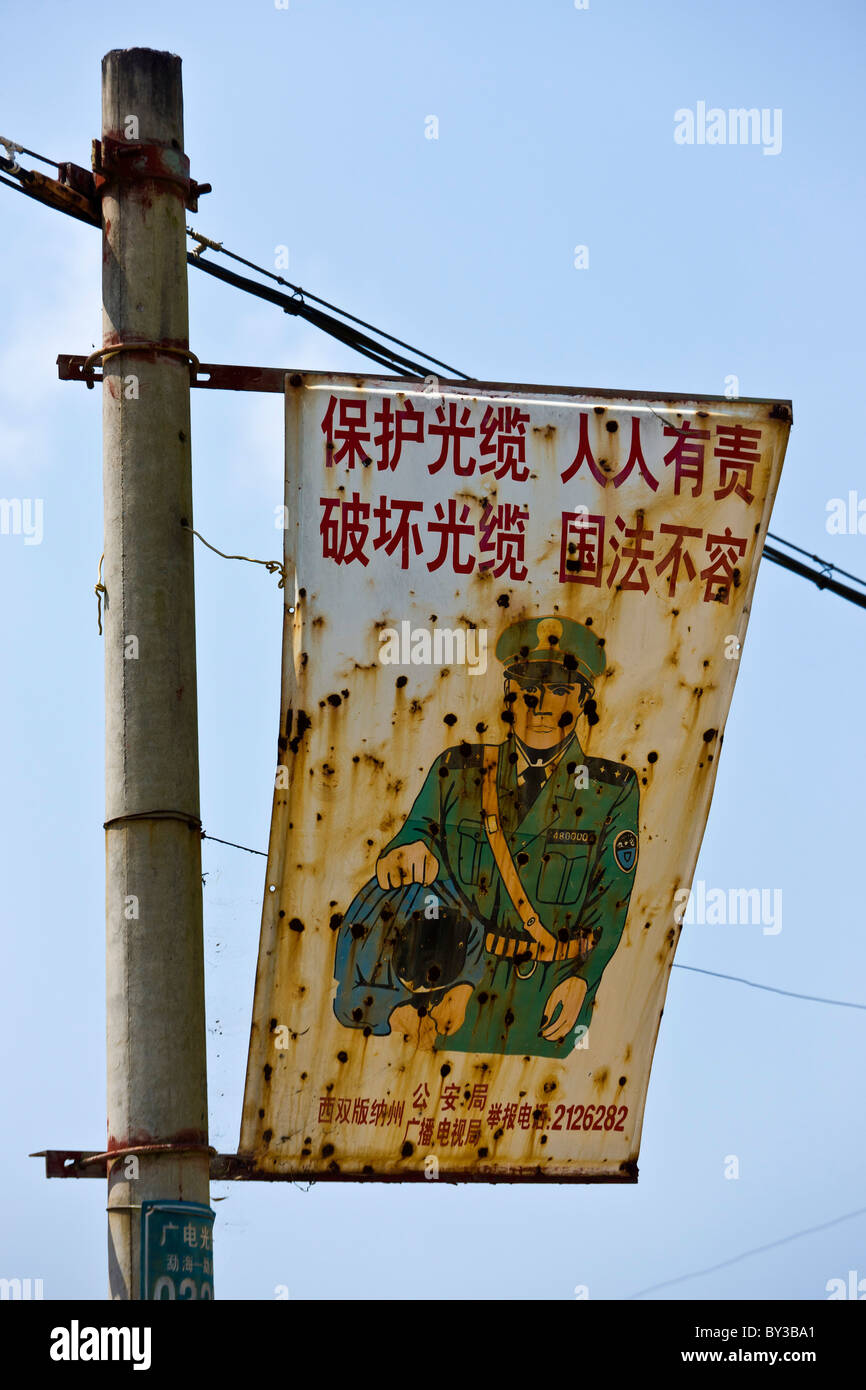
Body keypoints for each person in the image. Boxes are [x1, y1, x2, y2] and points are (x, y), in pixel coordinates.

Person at [333, 615, 639, 1058]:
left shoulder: (612, 790)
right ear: (508, 694)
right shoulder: (457, 773)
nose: (541, 706)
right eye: (528, 687)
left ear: (583, 700)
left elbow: (612, 901)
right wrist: (403, 853)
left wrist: (582, 978)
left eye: (559, 690)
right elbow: (415, 837)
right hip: (450, 997)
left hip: (549, 1004)